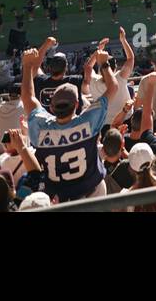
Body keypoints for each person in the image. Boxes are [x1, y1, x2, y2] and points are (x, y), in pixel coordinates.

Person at [21, 46, 116, 202]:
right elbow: (113, 88)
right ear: (77, 104)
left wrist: (27, 66)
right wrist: (104, 64)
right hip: (92, 193)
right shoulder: (88, 121)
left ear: (51, 107)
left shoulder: (41, 128)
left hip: (61, 200)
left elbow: (27, 98)